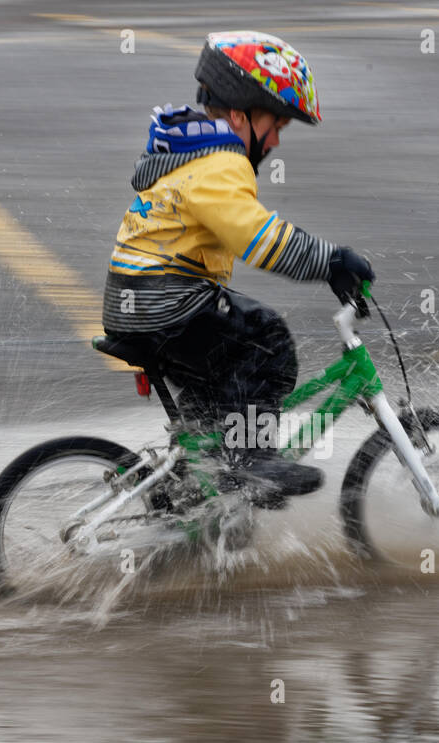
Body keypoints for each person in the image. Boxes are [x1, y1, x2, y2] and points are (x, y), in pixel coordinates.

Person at [101, 30, 375, 499]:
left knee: (217, 387)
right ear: (238, 114)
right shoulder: (222, 164)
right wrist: (330, 261)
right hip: (166, 302)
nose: (275, 141)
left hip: (136, 304)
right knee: (265, 340)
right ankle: (251, 461)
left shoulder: (186, 157)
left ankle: (195, 482)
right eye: (276, 125)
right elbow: (257, 237)